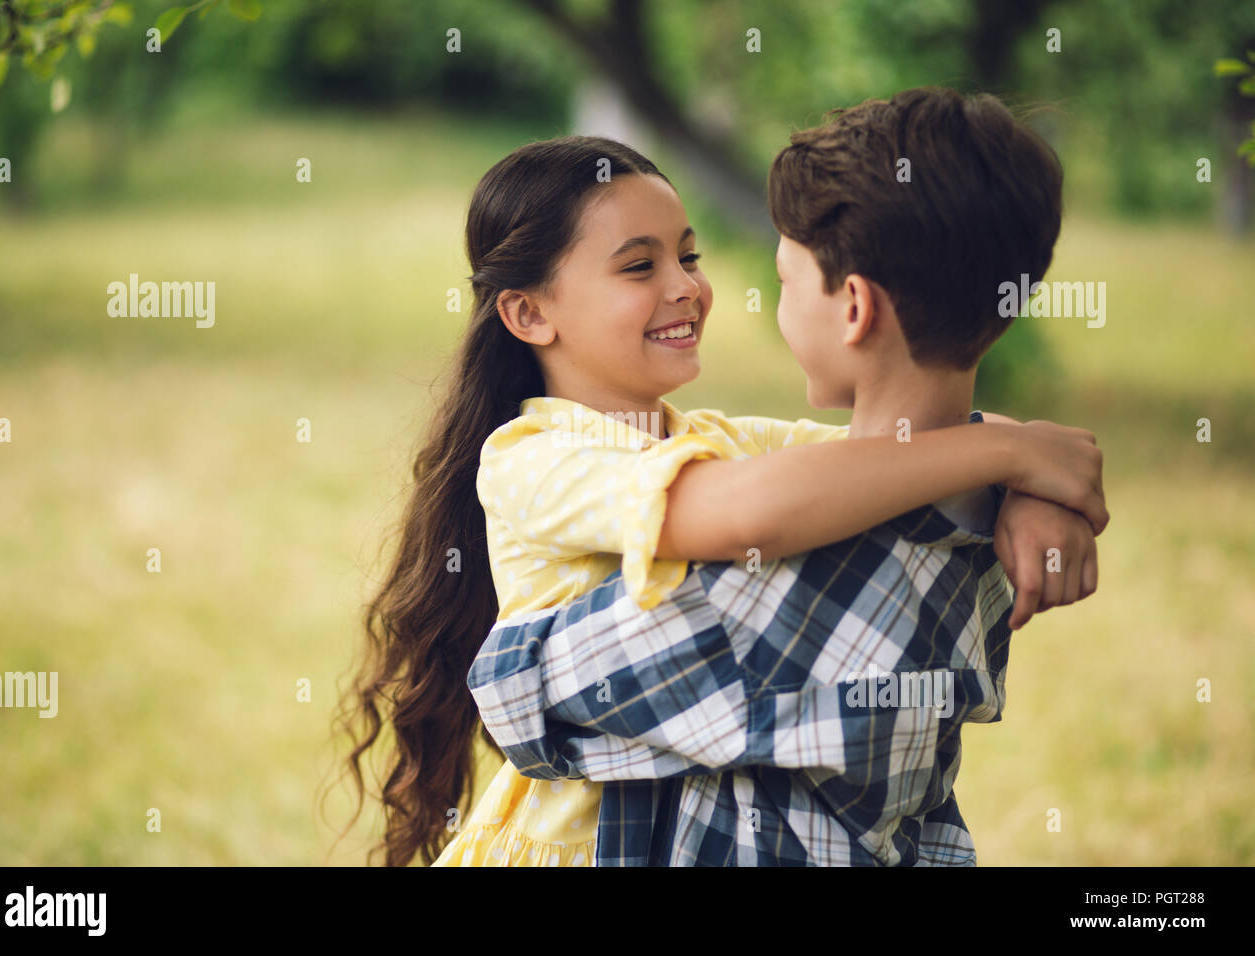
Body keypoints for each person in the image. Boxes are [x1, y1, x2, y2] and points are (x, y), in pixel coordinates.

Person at [343, 116, 1105, 867]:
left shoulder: (723, 441)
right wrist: (1012, 452)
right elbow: (748, 513)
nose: (687, 287)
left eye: (690, 255)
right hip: (568, 847)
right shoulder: (533, 458)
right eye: (639, 267)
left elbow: (895, 456)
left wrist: (1028, 484)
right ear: (529, 313)